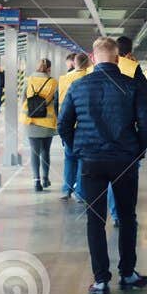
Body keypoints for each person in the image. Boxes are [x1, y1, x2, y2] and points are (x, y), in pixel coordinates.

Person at [57, 37, 147, 294]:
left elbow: (63, 124)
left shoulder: (78, 86)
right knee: (127, 217)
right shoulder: (131, 86)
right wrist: (137, 150)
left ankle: (100, 280)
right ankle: (128, 273)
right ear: (118, 58)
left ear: (93, 57)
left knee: (95, 220)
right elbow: (146, 124)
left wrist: (78, 149)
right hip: (124, 160)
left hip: (91, 161)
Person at [56, 51, 90, 200]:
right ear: (88, 64)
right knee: (82, 160)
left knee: (69, 158)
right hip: (83, 126)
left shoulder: (63, 79)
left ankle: (66, 189)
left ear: (74, 63)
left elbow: (57, 101)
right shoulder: (89, 78)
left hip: (67, 125)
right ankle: (80, 193)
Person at [22, 58, 59, 192]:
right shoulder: (53, 82)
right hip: (47, 122)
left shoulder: (28, 80)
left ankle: (36, 181)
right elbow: (56, 102)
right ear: (49, 69)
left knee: (34, 151)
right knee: (45, 151)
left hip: (31, 121)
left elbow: (23, 98)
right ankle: (45, 178)